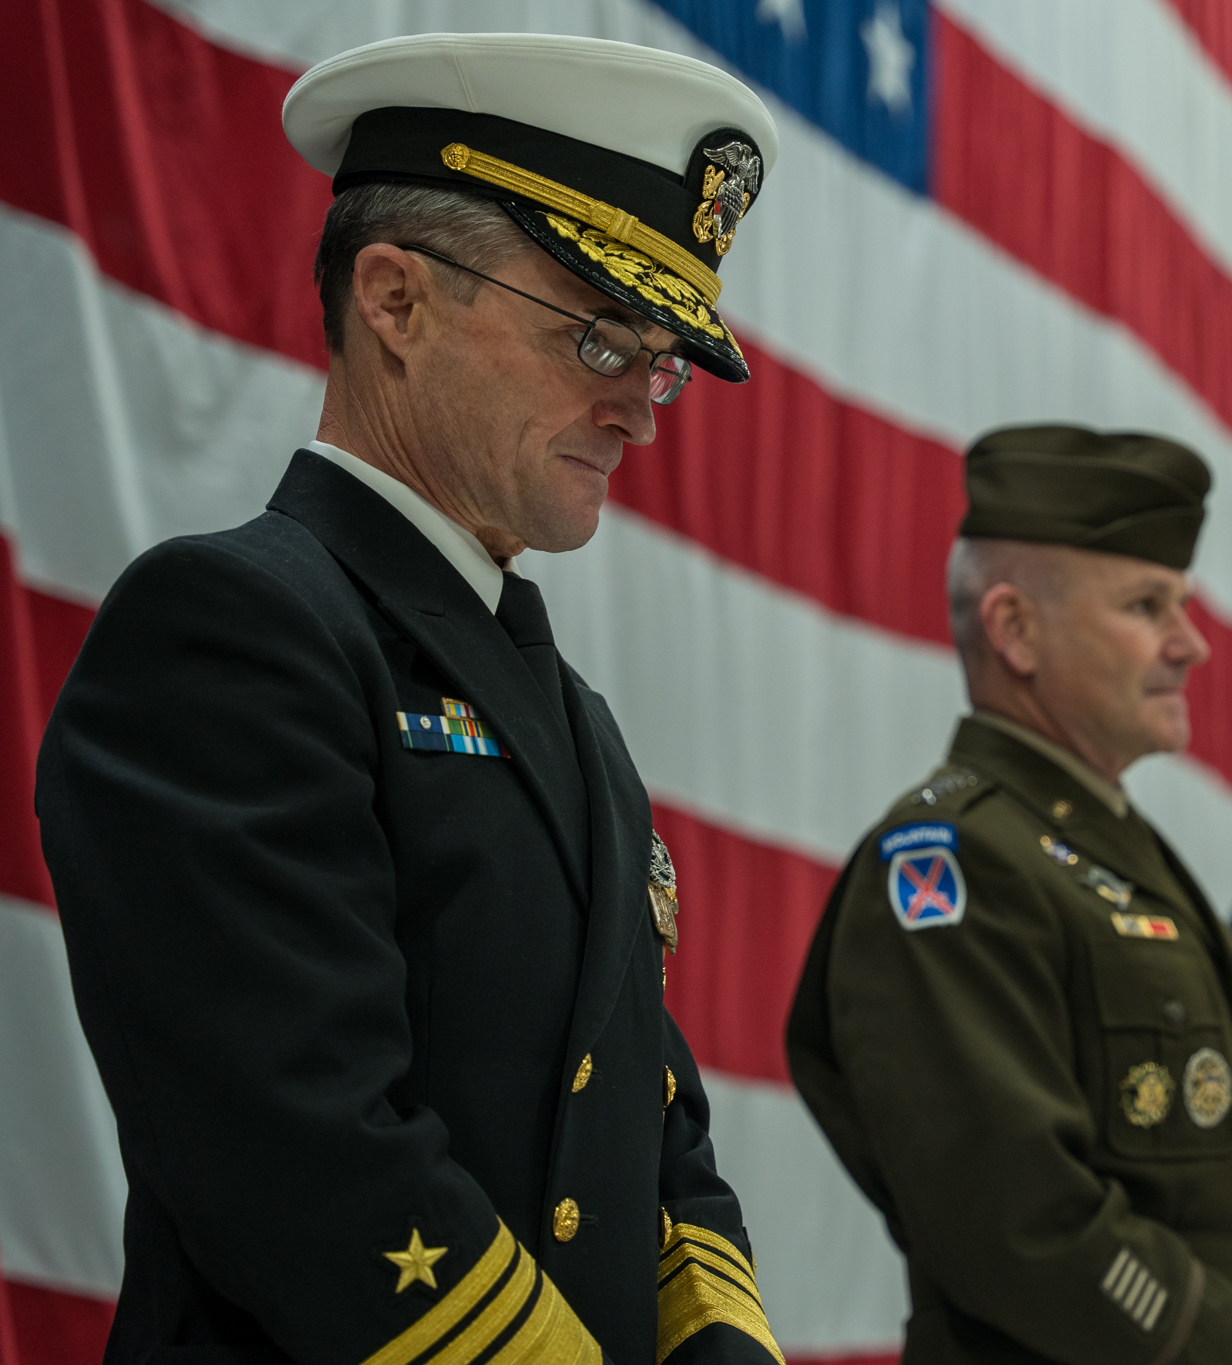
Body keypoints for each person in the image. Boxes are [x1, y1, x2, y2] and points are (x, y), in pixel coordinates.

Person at [37, 33, 784, 1365]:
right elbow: (298, 1145)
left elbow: (655, 1141)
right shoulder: (235, 632)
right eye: (599, 334)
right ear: (395, 298)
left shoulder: (576, 721)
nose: (640, 409)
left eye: (658, 356)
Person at [787, 426, 1232, 1365]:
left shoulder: (1107, 855)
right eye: (1146, 604)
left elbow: (1203, 1184)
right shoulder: (955, 863)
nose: (1193, 643)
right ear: (1014, 630)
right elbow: (1008, 1212)